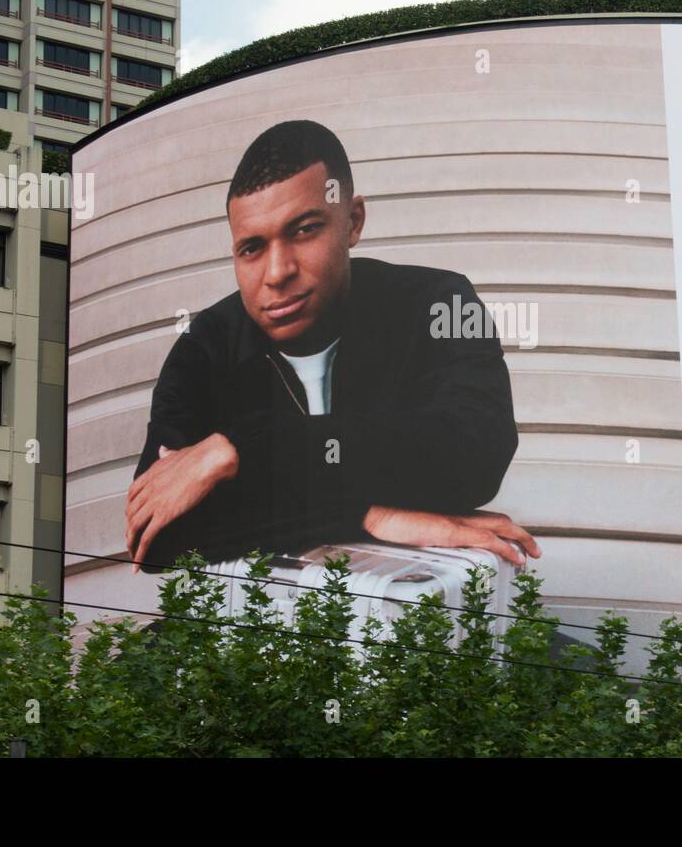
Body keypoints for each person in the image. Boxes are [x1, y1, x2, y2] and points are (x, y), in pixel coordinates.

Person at [124, 119, 540, 575]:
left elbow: (473, 453)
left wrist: (241, 451)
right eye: (252, 248)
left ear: (353, 221)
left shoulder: (439, 303)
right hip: (257, 624)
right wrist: (369, 516)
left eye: (303, 230)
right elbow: (158, 537)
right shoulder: (204, 347)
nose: (277, 271)